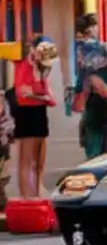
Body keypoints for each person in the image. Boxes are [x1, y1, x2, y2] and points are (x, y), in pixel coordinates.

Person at [12, 37, 57, 199]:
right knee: (27, 160)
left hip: (39, 114)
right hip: (26, 113)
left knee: (38, 161)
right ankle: (27, 195)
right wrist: (39, 96)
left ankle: (37, 190)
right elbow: (22, 94)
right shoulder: (22, 65)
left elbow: (51, 100)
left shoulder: (43, 71)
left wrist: (35, 95)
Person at [80, 42, 107, 158]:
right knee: (95, 154)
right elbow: (81, 97)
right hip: (93, 119)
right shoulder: (86, 74)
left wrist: (100, 85)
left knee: (104, 153)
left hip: (103, 118)